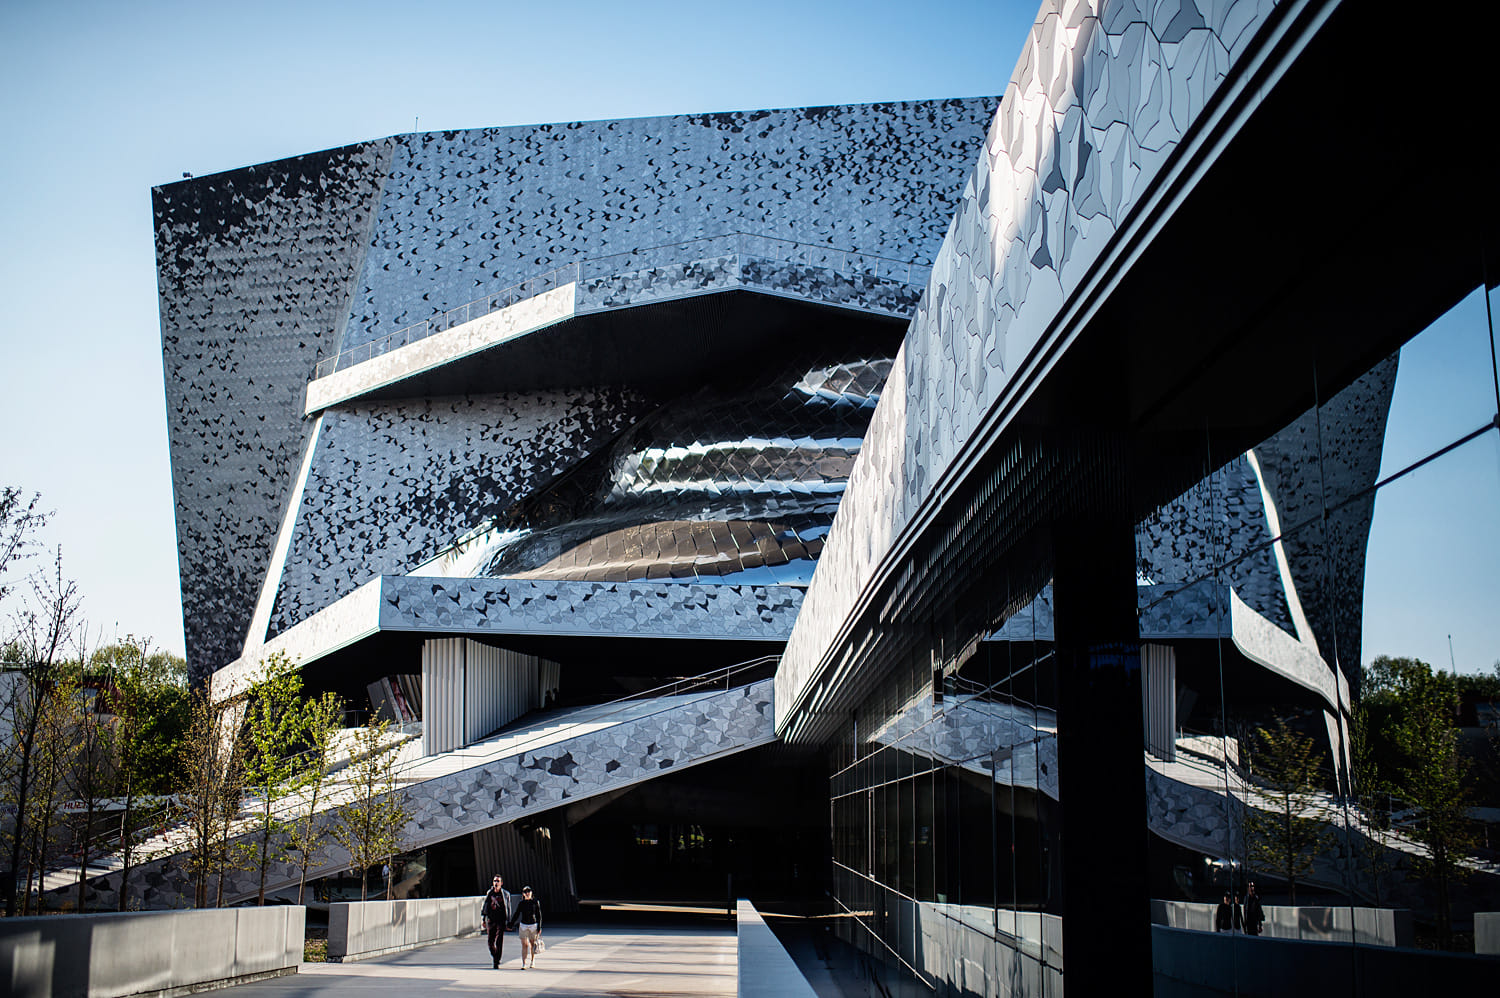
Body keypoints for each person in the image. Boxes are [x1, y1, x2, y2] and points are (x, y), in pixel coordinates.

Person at [509, 885, 544, 969]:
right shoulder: (521, 903)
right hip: (524, 925)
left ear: (531, 893)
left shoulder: (535, 902)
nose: (527, 893)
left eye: (529, 891)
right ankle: (524, 963)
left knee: (532, 944)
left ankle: (532, 961)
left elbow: (539, 915)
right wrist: (511, 923)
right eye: (525, 892)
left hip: (533, 925)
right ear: (523, 894)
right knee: (524, 945)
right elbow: (517, 913)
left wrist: (539, 927)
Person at [481, 874, 512, 969]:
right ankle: (496, 956)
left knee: (499, 941)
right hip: (491, 920)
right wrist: (483, 919)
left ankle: (496, 961)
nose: (496, 883)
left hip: (501, 920)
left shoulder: (505, 894)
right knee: (490, 942)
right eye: (495, 881)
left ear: (501, 883)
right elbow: (486, 906)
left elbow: (509, 908)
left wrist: (509, 922)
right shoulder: (490, 893)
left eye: (498, 881)